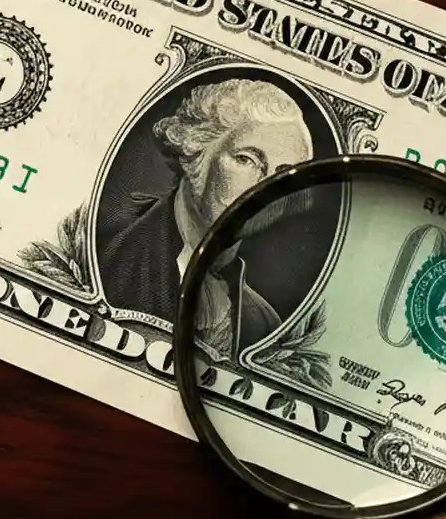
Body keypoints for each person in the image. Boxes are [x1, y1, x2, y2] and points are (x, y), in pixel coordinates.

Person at [98, 77, 315, 357]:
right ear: (196, 152)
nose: (264, 188)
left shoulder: (263, 323)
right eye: (246, 159)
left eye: (283, 174)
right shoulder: (108, 259)